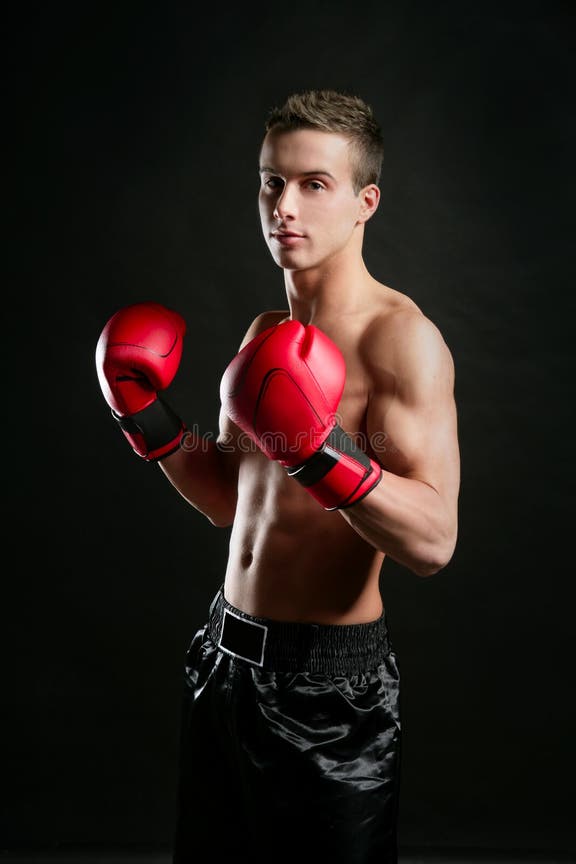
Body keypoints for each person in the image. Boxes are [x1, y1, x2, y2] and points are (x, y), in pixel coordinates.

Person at [95, 89, 460, 863]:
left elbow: (433, 542)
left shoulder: (403, 341)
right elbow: (229, 503)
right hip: (222, 661)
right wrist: (144, 413)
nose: (283, 206)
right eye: (271, 181)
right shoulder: (267, 333)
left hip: (330, 691)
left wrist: (318, 451)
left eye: (312, 184)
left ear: (366, 202)